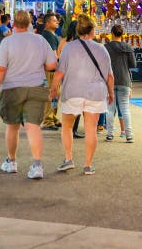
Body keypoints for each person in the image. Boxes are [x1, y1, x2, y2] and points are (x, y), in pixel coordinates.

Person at [0, 10, 57, 180]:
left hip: (12, 88)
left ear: (13, 24)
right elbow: (51, 65)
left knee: (12, 126)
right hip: (36, 86)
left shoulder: (7, 42)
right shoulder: (40, 40)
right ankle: (36, 165)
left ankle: (11, 162)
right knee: (33, 126)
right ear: (30, 23)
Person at [50, 14, 114, 175]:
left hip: (72, 91)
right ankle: (88, 165)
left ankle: (69, 159)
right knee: (91, 129)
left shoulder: (69, 48)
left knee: (67, 126)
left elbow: (59, 72)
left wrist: (53, 90)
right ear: (92, 31)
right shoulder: (101, 49)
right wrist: (111, 93)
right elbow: (109, 76)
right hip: (96, 92)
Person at [104, 24, 135, 142]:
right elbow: (133, 65)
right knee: (125, 109)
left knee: (110, 109)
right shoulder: (128, 47)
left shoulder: (106, 47)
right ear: (122, 34)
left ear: (111, 34)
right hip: (124, 81)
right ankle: (129, 135)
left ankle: (110, 134)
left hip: (110, 81)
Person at [40, 12, 63, 131]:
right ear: (48, 23)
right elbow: (54, 55)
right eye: (54, 21)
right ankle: (48, 121)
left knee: (56, 94)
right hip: (50, 70)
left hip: (52, 70)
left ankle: (53, 117)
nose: (57, 22)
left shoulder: (50, 34)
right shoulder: (49, 35)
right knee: (52, 94)